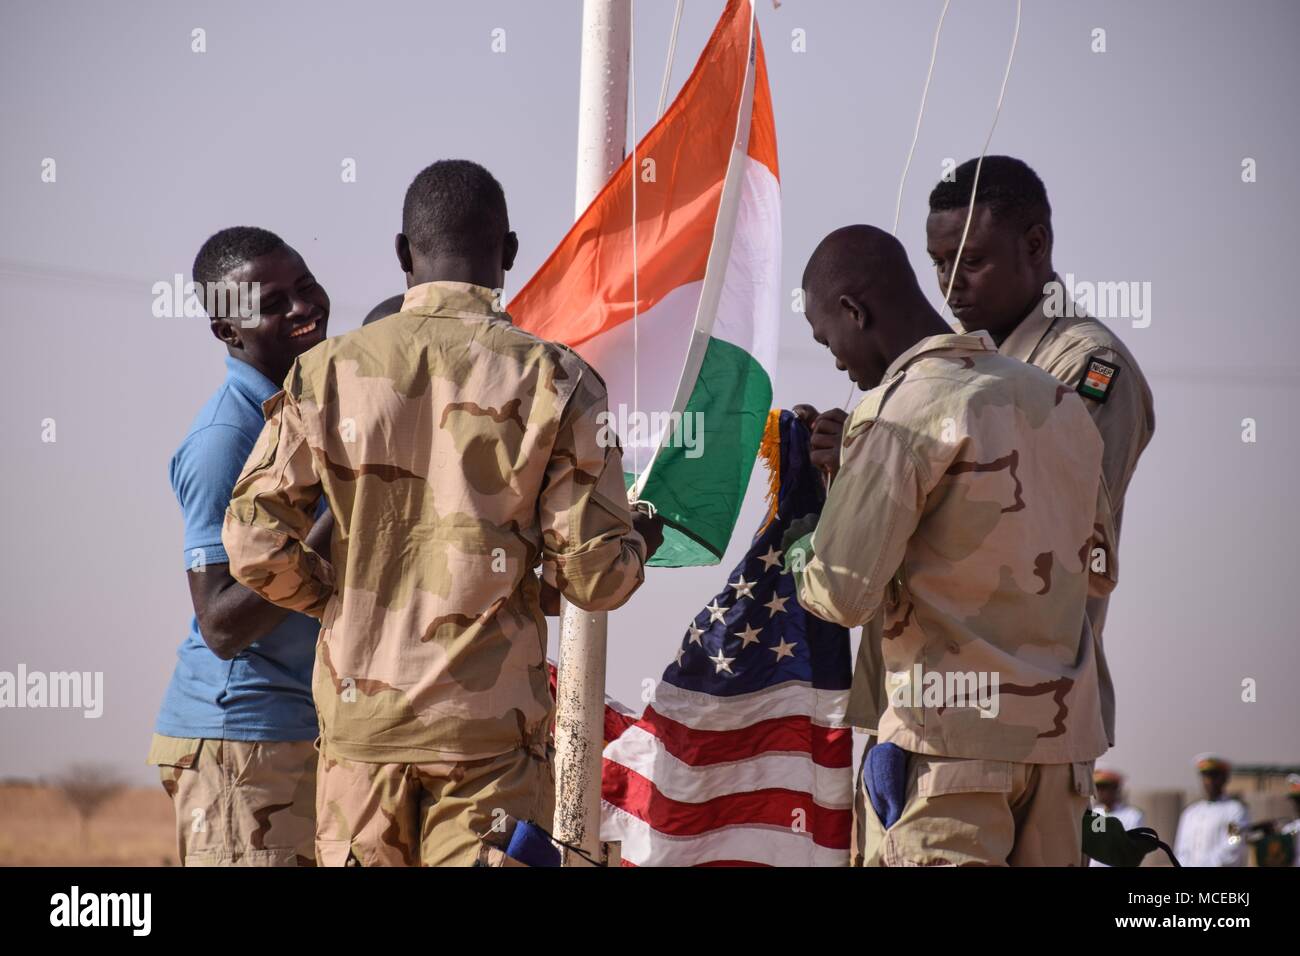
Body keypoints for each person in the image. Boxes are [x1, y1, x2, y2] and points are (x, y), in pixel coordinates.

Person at [222, 159, 662, 866]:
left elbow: (251, 546)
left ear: (403, 253)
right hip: (489, 743)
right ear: (509, 253)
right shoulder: (559, 380)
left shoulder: (325, 372)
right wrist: (634, 545)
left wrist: (342, 603)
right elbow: (596, 579)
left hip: (363, 733)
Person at [790, 224, 1116, 866]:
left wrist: (808, 529)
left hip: (947, 756)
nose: (835, 361)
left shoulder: (901, 410)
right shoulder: (1053, 399)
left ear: (856, 311)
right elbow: (1097, 571)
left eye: (829, 338)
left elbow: (841, 592)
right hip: (1059, 755)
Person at [926, 156, 1155, 748]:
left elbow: (1048, 536)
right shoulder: (959, 364)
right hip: (947, 706)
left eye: (971, 261)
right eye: (939, 263)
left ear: (1035, 244)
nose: (950, 285)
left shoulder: (1086, 366)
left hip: (1036, 718)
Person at [147, 226, 333, 866]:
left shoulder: (308, 410)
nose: (303, 309)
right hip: (242, 739)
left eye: (305, 287)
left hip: (301, 733)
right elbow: (221, 623)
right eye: (273, 303)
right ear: (229, 332)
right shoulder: (227, 436)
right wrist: (334, 526)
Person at [1174, 754, 1248, 866]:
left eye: (1214, 776)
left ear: (1224, 779)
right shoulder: (1190, 813)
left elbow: (1234, 843)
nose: (1209, 781)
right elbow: (1181, 850)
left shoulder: (1235, 811)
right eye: (1206, 776)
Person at [1088, 768, 1146, 867]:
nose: (1099, 792)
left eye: (1104, 787)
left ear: (1115, 789)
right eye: (1097, 788)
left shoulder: (1132, 815)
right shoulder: (1095, 813)